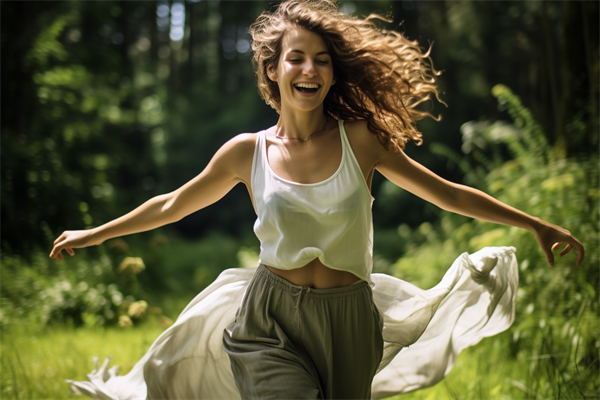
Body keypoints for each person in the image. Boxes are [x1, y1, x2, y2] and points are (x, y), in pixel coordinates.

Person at [50, 1, 584, 399]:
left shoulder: (361, 141)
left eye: (322, 60)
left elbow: (445, 193)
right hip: (269, 319)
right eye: (296, 59)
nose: (310, 70)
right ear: (273, 71)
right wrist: (94, 234)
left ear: (333, 72)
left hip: (349, 323)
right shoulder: (246, 153)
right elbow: (172, 205)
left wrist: (534, 223)